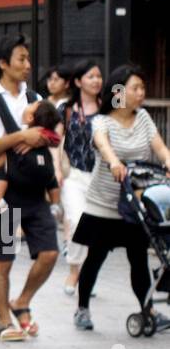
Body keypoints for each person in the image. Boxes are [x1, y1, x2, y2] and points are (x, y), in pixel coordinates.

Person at [72, 64, 170, 332]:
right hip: (104, 202)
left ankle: (147, 309)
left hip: (135, 203)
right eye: (135, 88)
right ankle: (82, 308)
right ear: (118, 92)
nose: (141, 93)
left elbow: (161, 148)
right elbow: (102, 143)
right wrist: (114, 161)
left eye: (142, 88)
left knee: (138, 258)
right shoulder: (102, 121)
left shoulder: (144, 118)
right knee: (96, 256)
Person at [0, 33, 54, 341]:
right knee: (3, 260)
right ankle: (4, 322)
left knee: (49, 253)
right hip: (0, 190)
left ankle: (22, 301)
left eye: (28, 58)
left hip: (34, 187)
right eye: (21, 58)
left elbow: (50, 134)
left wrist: (39, 138)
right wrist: (23, 136)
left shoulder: (34, 97)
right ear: (3, 63)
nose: (28, 64)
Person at [59, 59, 103, 295]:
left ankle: (86, 273)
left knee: (95, 229)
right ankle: (74, 270)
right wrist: (56, 169)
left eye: (99, 76)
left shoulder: (109, 106)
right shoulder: (66, 109)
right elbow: (56, 141)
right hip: (74, 175)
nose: (96, 80)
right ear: (78, 81)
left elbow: (126, 112)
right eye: (90, 76)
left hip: (101, 177)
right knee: (76, 221)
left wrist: (124, 78)